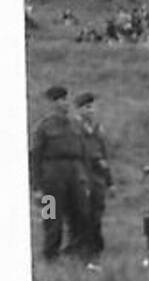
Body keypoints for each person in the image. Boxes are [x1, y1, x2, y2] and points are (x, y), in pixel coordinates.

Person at [30, 86, 91, 263]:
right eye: (58, 100)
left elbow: (83, 152)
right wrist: (36, 187)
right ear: (51, 103)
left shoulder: (75, 124)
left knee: (80, 213)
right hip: (51, 175)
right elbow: (35, 157)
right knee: (51, 217)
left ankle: (76, 251)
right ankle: (51, 254)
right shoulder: (43, 126)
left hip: (74, 171)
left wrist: (85, 177)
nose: (63, 104)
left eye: (65, 99)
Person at [75, 92, 113, 260]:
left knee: (97, 212)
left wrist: (110, 182)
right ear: (79, 109)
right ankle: (81, 248)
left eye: (92, 107)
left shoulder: (98, 128)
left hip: (97, 175)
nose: (90, 110)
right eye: (86, 107)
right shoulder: (74, 128)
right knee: (81, 213)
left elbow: (104, 156)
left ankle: (96, 247)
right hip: (81, 173)